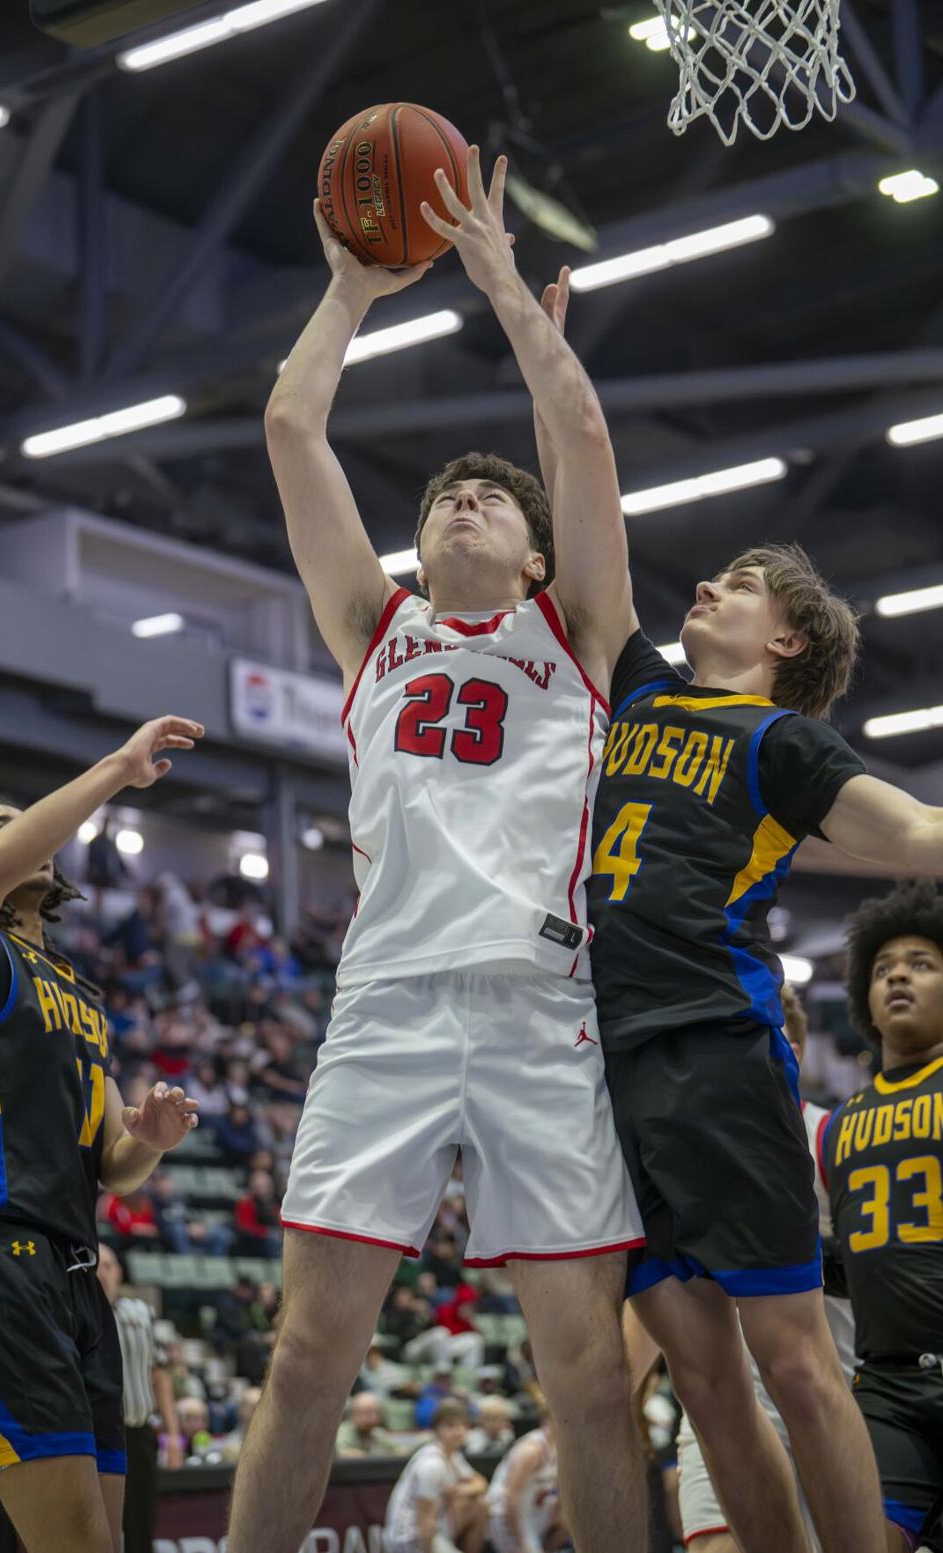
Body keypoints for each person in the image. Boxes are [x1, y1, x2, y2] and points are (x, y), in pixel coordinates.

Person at [228, 147, 645, 1553]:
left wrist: (494, 286)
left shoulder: (573, 633)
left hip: (544, 1007)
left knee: (583, 1370)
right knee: (303, 1358)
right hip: (390, 998)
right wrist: (348, 291)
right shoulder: (375, 632)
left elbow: (575, 434)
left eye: (485, 503)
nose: (453, 509)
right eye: (432, 511)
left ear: (536, 556)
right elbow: (292, 431)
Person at [533, 264, 922, 1553]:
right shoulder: (641, 695)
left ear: (789, 639)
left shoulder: (779, 742)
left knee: (796, 1360)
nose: (712, 585)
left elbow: (920, 834)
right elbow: (590, 515)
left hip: (714, 1038)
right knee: (700, 1381)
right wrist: (544, 352)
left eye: (742, 581)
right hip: (612, 1055)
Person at [0, 716, 203, 1553]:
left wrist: (148, 1136)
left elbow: (113, 1167)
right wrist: (116, 767)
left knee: (106, 1540)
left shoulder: (79, 989)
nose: (25, 833)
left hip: (78, 1273)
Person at [673, 985, 857, 1552]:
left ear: (793, 1049)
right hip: (729, 1400)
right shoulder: (691, 1152)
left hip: (832, 1389)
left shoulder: (834, 1135)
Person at [821, 880, 943, 1552]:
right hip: (887, 1385)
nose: (896, 972)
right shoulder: (839, 1125)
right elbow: (856, 1263)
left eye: (921, 962)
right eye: (881, 967)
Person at [96, 1244, 183, 1553]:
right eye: (96, 1264)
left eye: (109, 1265)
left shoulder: (141, 1314)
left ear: (119, 1273)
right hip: (96, 1438)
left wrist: (173, 1437)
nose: (102, 1272)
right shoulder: (76, 1315)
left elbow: (159, 1376)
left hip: (138, 1434)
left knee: (141, 1526)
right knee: (97, 1529)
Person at [383, 1399, 488, 1553]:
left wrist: (460, 1490)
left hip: (434, 1527)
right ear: (436, 1430)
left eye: (463, 1425)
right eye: (451, 1426)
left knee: (480, 1505)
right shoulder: (432, 1464)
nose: (459, 1431)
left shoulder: (453, 1456)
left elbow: (481, 1483)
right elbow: (425, 1521)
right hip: (408, 1538)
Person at [485, 1402, 563, 1553]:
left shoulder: (561, 1446)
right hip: (506, 1515)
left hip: (533, 1511)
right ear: (545, 1419)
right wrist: (520, 1539)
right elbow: (511, 1497)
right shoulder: (531, 1450)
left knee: (567, 1522)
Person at [334, 1391, 400, 1458]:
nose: (372, 1418)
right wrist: (372, 1455)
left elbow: (399, 1450)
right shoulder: (343, 1431)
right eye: (366, 1413)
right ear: (354, 1414)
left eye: (375, 1413)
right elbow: (342, 1452)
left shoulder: (377, 1433)